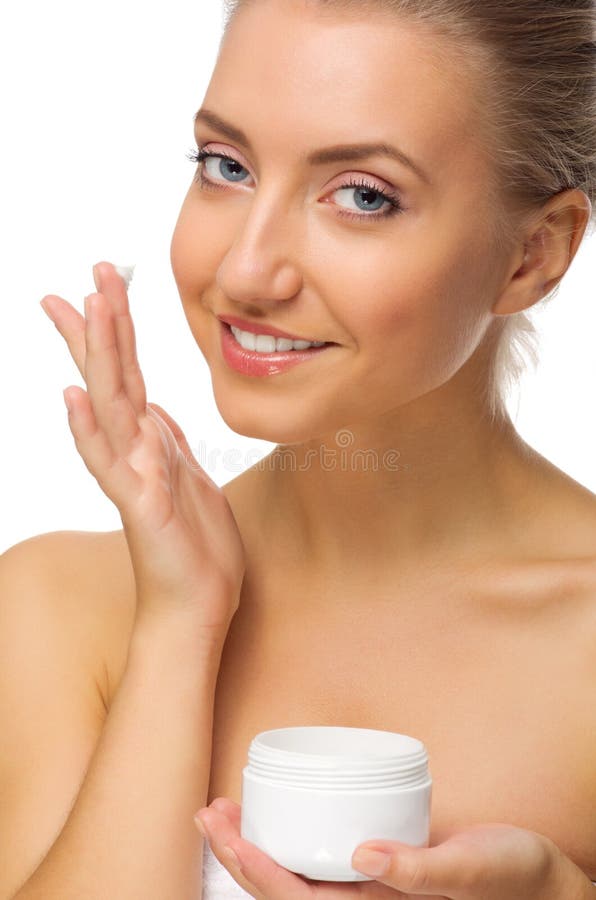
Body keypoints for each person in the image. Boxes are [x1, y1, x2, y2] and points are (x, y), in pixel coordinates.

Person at [1, 0, 595, 897]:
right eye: (226, 166)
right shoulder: (64, 609)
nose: (244, 270)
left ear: (533, 257)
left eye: (363, 195)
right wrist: (179, 629)